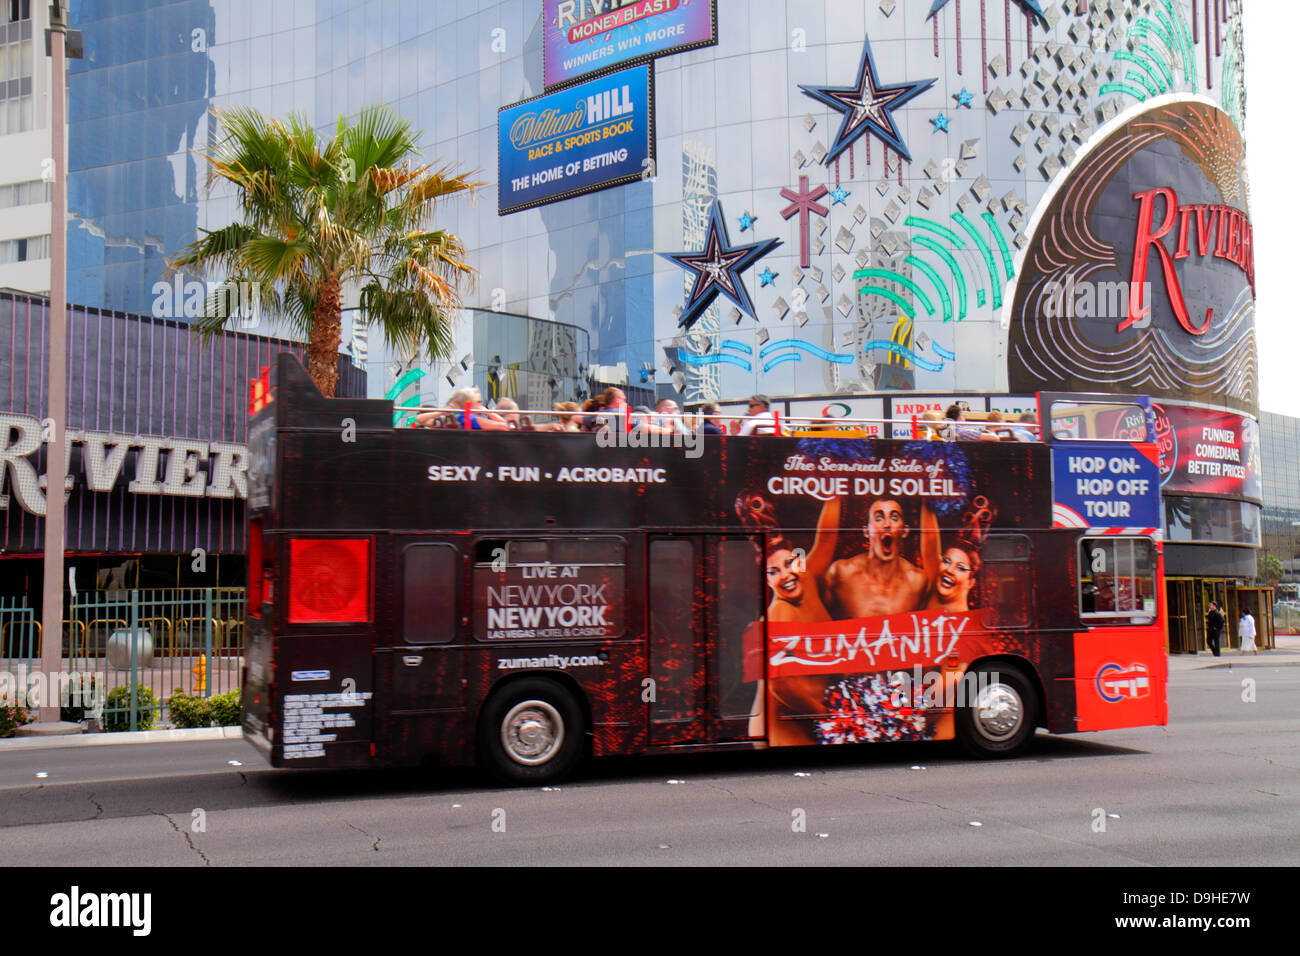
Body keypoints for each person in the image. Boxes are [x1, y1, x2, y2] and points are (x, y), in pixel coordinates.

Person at [825, 497, 930, 618]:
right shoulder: (841, 573)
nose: (887, 524)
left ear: (905, 531)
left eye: (894, 518)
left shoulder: (917, 582)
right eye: (879, 518)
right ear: (866, 531)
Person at [415, 386, 508, 430]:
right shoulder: (473, 420)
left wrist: (441, 412)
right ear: (470, 403)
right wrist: (487, 412)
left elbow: (420, 420)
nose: (481, 405)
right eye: (478, 402)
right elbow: (504, 426)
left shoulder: (453, 420)